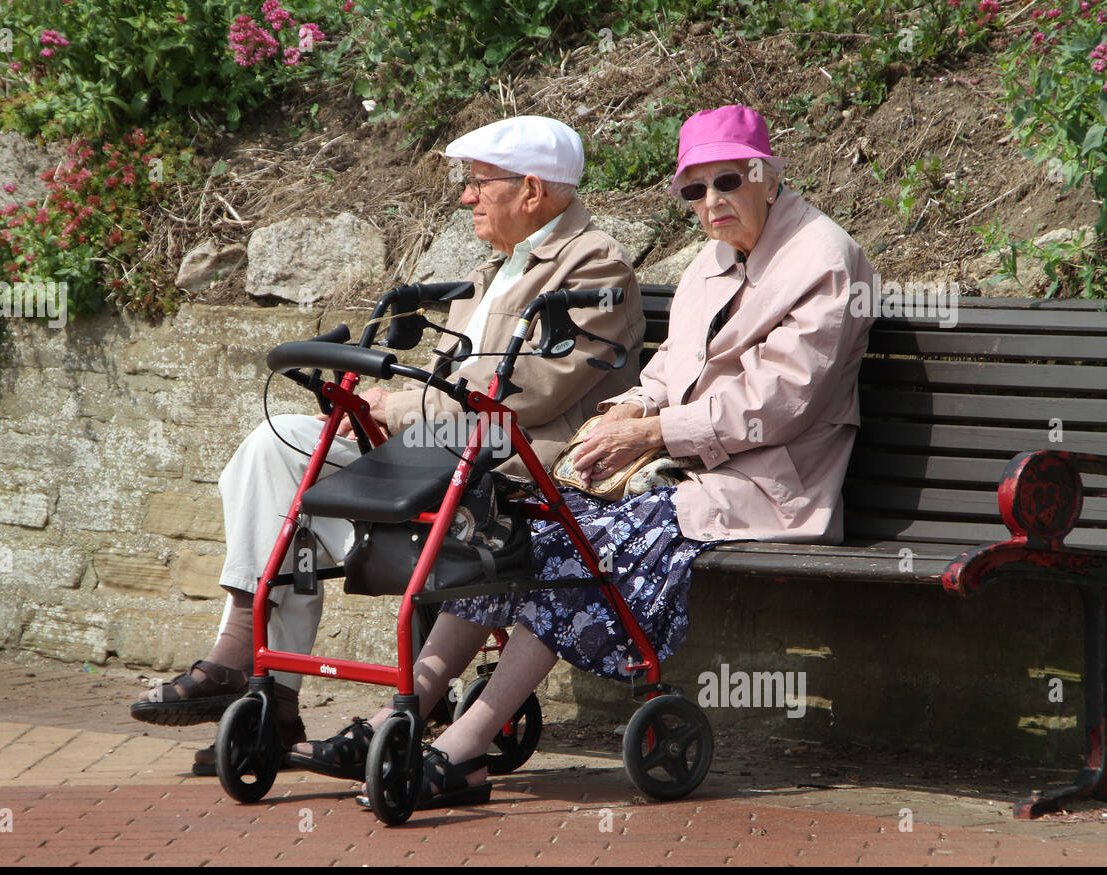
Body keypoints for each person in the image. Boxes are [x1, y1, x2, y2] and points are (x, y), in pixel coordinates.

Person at [295, 104, 877, 809]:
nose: (712, 202)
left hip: (765, 481)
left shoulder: (824, 258)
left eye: (729, 181)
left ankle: (462, 749)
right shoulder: (714, 257)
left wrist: (656, 433)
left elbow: (782, 402)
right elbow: (669, 370)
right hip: (680, 466)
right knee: (524, 528)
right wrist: (627, 413)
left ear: (768, 174)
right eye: (694, 190)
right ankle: (406, 707)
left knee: (581, 550)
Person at [130, 115, 646, 776]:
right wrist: (371, 414)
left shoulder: (594, 265)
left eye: (479, 184)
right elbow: (451, 381)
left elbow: (525, 393)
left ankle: (271, 685)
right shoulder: (497, 266)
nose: (465, 198)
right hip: (440, 446)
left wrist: (394, 409)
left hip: (506, 466)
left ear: (533, 191)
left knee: (315, 476)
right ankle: (260, 682)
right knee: (273, 447)